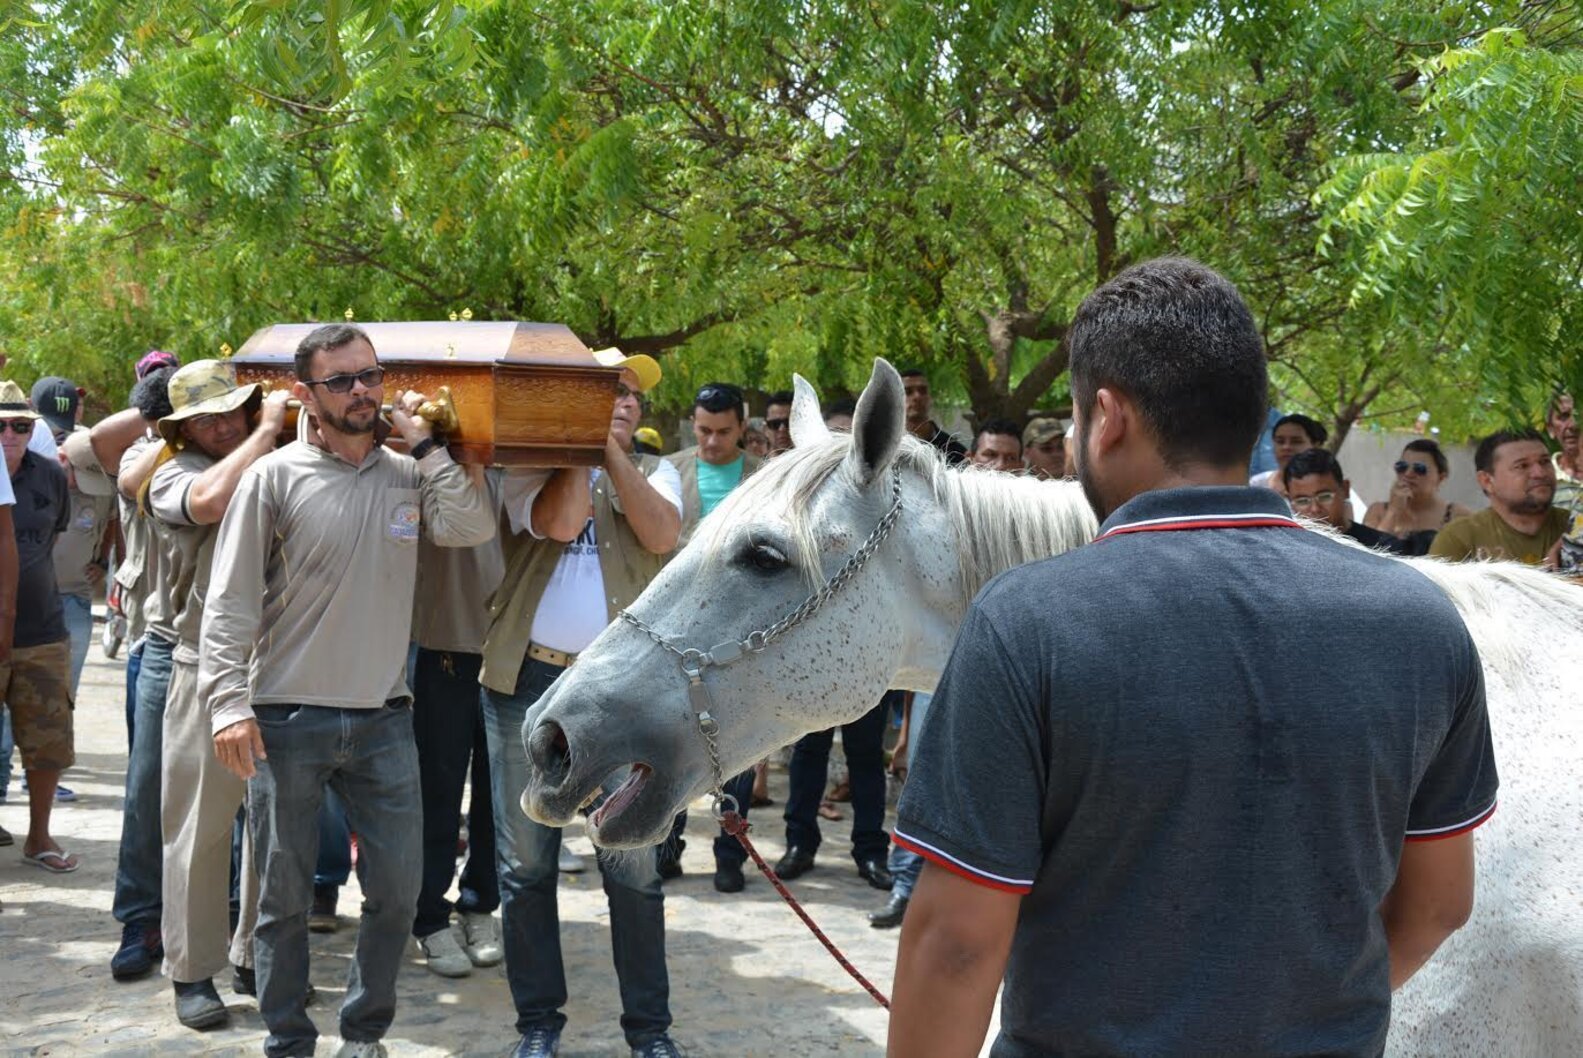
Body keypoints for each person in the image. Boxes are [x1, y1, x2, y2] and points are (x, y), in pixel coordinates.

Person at [889, 257, 1498, 1057]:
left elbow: (958, 943)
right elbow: (1438, 907)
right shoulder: (1419, 619)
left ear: (1106, 416)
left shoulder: (1027, 621)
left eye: (1074, 424)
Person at [202, 323, 494, 1058]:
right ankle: (288, 1039)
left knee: (398, 894)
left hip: (385, 720)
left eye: (371, 375)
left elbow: (467, 527)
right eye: (342, 380)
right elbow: (229, 602)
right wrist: (228, 704)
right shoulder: (274, 477)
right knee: (282, 901)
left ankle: (363, 1034)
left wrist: (425, 444)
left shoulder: (407, 472)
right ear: (305, 393)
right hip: (286, 720)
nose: (363, 390)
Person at [478, 347, 683, 1058]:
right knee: (526, 864)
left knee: (633, 864)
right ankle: (539, 1026)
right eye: (608, 392)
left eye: (631, 397)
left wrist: (610, 453)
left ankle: (649, 1033)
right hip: (530, 687)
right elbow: (563, 522)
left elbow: (660, 533)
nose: (624, 403)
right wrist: (579, 448)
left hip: (625, 697)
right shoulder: (528, 470)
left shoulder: (660, 473)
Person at [136, 359, 285, 1030]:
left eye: (235, 410)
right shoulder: (173, 472)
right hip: (204, 669)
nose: (223, 425)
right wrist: (269, 430)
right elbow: (211, 502)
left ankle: (255, 954)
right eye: (206, 418)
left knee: (273, 828)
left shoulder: (280, 458)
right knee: (200, 829)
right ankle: (192, 972)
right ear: (183, 428)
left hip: (282, 668)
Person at [81, 366, 178, 979]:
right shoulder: (149, 455)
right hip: (156, 643)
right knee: (147, 795)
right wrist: (164, 410)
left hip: (243, 650)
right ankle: (142, 919)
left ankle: (216, 915)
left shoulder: (249, 454)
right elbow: (96, 446)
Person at [661, 381, 764, 891]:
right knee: (670, 739)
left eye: (723, 432)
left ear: (742, 427)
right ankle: (667, 843)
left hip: (737, 637)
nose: (712, 442)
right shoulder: (667, 471)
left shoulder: (766, 478)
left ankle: (731, 852)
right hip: (676, 632)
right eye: (703, 430)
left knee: (736, 750)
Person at [409, 500, 507, 978]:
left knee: (498, 793)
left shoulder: (532, 458)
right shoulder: (433, 458)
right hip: (444, 644)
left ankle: (480, 905)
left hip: (513, 649)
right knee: (437, 793)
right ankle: (428, 916)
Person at [0, 380, 76, 875]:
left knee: (47, 742)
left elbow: (53, 537)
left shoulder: (50, 475)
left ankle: (39, 837)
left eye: (20, 425)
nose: (9, 434)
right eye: (0, 425)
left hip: (43, 630)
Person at [775, 689, 895, 891]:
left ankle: (871, 852)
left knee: (867, 753)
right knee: (808, 749)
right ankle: (800, 844)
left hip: (871, 669)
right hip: (815, 672)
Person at [1429, 429, 1568, 566]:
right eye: (1522, 466)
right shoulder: (1459, 539)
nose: (1539, 473)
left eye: (1544, 462)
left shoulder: (1575, 529)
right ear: (1487, 481)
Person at [1284, 449, 1409, 553]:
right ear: (1290, 501)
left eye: (1325, 497)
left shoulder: (1383, 549)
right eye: (1302, 501)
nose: (1315, 508)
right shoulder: (1284, 550)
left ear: (1345, 489)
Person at [1362, 438, 1473, 551]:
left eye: (1419, 469)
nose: (1408, 474)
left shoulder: (1457, 515)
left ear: (1440, 478)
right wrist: (1393, 512)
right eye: (1402, 466)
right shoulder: (1377, 511)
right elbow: (1369, 558)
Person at [900, 370, 967, 465]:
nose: (917, 396)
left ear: (930, 397)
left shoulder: (954, 450)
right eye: (908, 392)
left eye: (923, 391)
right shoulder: (887, 450)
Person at [1249, 412, 1325, 494]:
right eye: (1280, 441)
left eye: (1296, 442)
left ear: (1315, 446)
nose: (1286, 447)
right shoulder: (1256, 484)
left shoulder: (1325, 487)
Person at [763, 390, 794, 454]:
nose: (782, 429)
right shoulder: (754, 463)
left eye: (788, 423)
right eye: (775, 424)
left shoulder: (814, 463)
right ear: (765, 429)